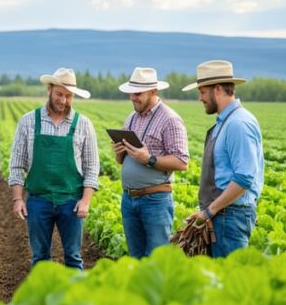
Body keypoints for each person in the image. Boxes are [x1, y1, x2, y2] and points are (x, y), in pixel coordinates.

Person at [9, 68, 99, 270]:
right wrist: (17, 199)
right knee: (40, 258)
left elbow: (92, 167)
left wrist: (85, 201)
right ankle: (42, 298)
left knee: (73, 258)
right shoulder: (28, 121)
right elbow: (17, 164)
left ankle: (74, 300)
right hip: (38, 200)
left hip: (71, 201)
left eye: (68, 96)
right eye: (59, 94)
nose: (64, 100)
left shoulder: (84, 124)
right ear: (49, 90)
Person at [183, 60, 264, 258]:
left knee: (225, 279)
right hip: (222, 215)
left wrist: (209, 211)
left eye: (202, 92)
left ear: (217, 89)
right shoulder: (225, 121)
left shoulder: (238, 123)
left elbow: (244, 178)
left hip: (230, 217)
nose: (200, 98)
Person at [111, 67, 189, 258]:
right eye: (131, 93)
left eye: (138, 93)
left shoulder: (170, 119)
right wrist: (119, 153)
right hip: (129, 199)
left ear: (153, 91)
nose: (133, 98)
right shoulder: (131, 117)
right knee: (135, 257)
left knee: (156, 258)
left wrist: (149, 159)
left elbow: (181, 161)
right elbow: (123, 161)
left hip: (155, 201)